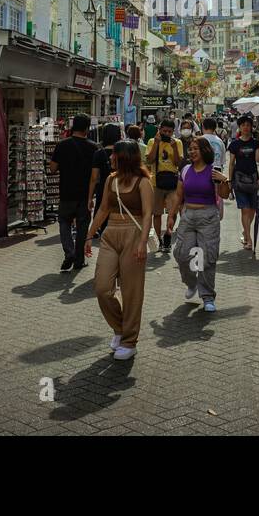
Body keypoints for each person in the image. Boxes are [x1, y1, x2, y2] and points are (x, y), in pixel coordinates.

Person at [89, 139, 155, 360]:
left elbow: (147, 214)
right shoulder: (110, 180)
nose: (110, 158)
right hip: (110, 234)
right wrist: (89, 235)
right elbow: (103, 209)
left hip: (133, 233)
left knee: (132, 291)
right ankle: (119, 328)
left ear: (123, 157)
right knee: (102, 288)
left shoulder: (143, 182)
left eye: (114, 155)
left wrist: (142, 241)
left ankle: (129, 340)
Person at [172, 136, 229, 312]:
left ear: (205, 150)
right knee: (181, 254)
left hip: (208, 216)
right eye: (191, 149)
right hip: (188, 216)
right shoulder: (186, 170)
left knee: (207, 258)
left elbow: (225, 195)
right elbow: (178, 195)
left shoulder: (214, 171)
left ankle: (207, 296)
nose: (192, 151)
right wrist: (172, 215)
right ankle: (191, 283)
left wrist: (224, 180)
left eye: (196, 148)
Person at [48, 114, 98, 271]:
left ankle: (69, 252)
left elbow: (52, 168)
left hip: (66, 192)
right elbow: (95, 176)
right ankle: (79, 259)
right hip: (85, 194)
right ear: (86, 128)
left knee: (64, 222)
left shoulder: (62, 145)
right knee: (82, 226)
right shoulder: (93, 147)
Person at [144, 119, 185, 254]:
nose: (167, 134)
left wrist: (173, 147)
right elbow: (148, 160)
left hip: (173, 183)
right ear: (159, 130)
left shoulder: (177, 143)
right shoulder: (152, 141)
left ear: (173, 132)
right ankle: (159, 240)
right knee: (156, 213)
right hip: (156, 183)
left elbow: (179, 164)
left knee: (172, 212)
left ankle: (168, 233)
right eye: (164, 131)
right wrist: (156, 143)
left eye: (169, 131)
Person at [226, 115, 259, 252]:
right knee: (245, 209)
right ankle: (248, 239)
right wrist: (230, 181)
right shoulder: (235, 144)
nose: (246, 127)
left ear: (251, 127)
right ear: (240, 127)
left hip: (253, 180)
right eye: (243, 125)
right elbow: (231, 164)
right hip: (239, 181)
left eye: (248, 125)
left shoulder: (255, 142)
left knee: (253, 210)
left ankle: (245, 231)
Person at [86, 123, 123, 253]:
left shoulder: (99, 153)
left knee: (104, 219)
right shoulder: (123, 151)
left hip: (103, 190)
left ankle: (108, 247)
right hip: (122, 189)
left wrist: (90, 197)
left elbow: (94, 178)